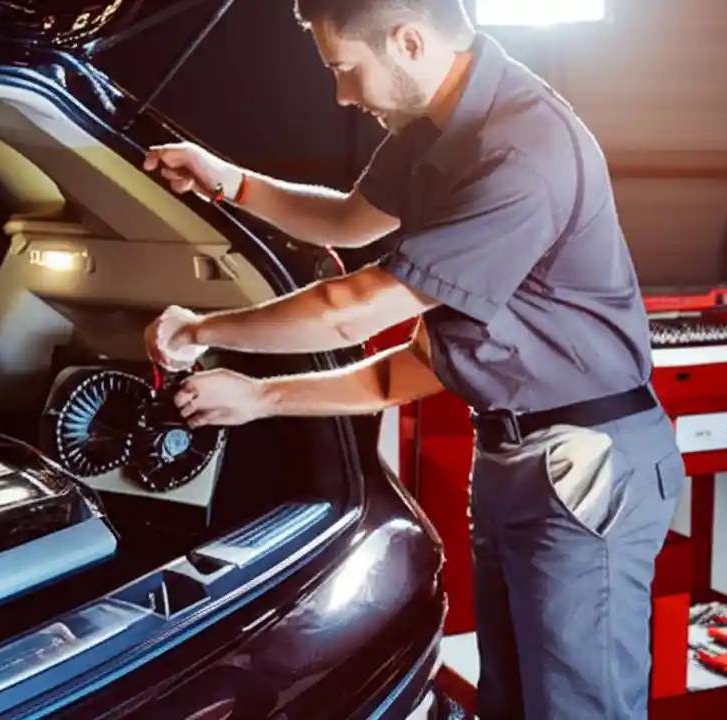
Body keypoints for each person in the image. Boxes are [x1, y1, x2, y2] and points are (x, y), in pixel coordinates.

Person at [142, 1, 686, 717]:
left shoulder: (518, 149)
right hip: (515, 456)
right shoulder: (433, 130)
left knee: (578, 709)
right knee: (515, 702)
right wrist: (226, 180)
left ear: (407, 41)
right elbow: (349, 227)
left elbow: (355, 305)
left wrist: (205, 329)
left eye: (345, 70)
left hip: (585, 465)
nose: (342, 95)